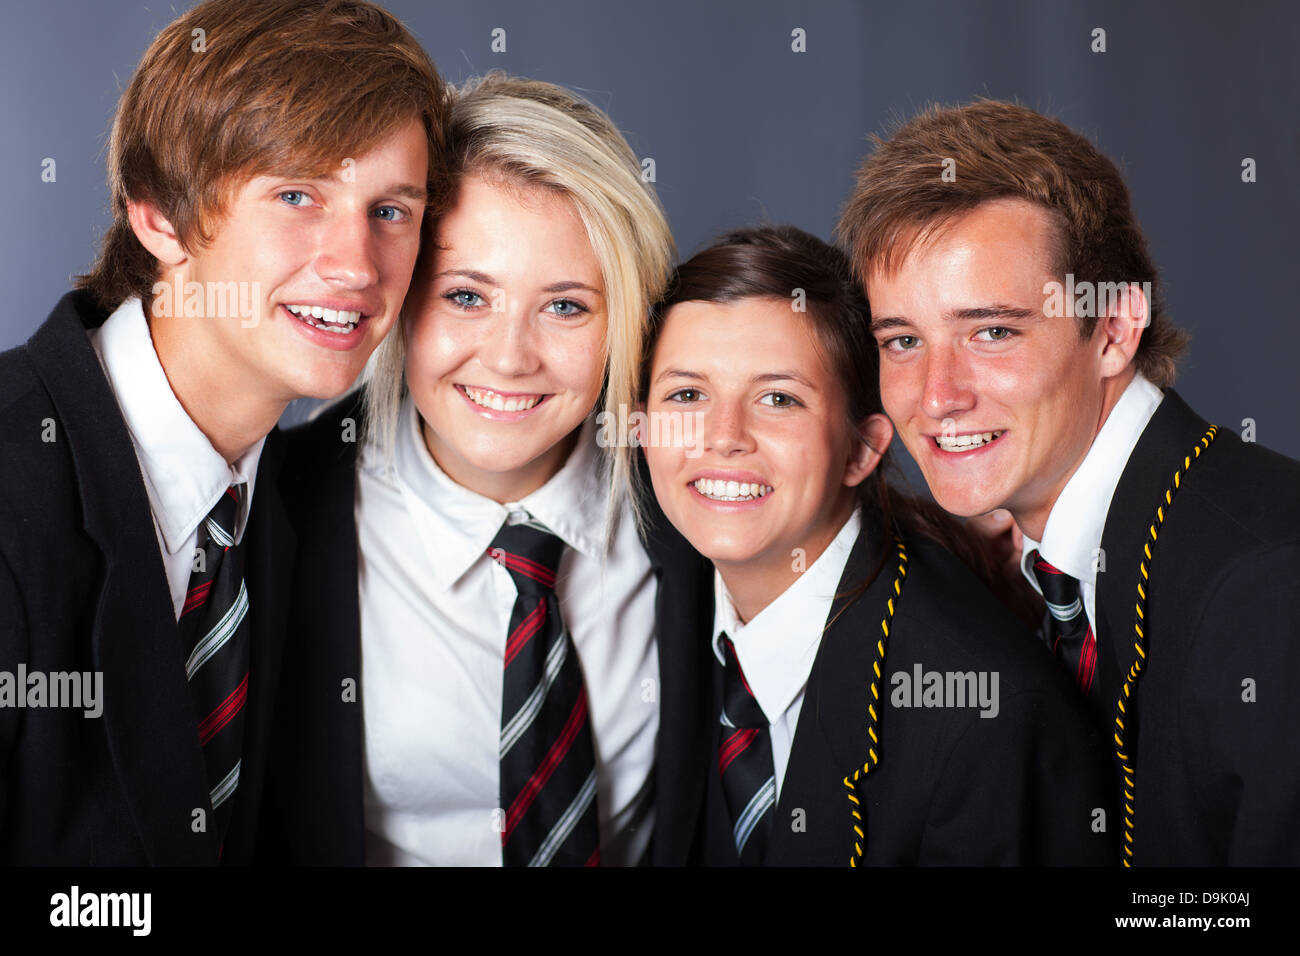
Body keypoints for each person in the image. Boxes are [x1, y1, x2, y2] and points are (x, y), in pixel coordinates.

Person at [0, 0, 445, 864]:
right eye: (295, 194)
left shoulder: (282, 500)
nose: (357, 265)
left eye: (392, 209)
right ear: (159, 216)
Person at [837, 100, 1300, 865]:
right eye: (903, 341)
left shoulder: (1266, 587)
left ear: (1115, 329)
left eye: (992, 332)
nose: (937, 395)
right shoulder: (1016, 567)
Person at [264, 72, 682, 866]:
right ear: (402, 296)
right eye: (465, 296)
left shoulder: (691, 500)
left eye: (565, 306)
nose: (509, 357)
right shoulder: (281, 510)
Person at [639, 225, 1114, 865]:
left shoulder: (978, 718)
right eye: (687, 394)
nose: (723, 437)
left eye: (778, 399)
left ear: (862, 449)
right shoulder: (659, 593)